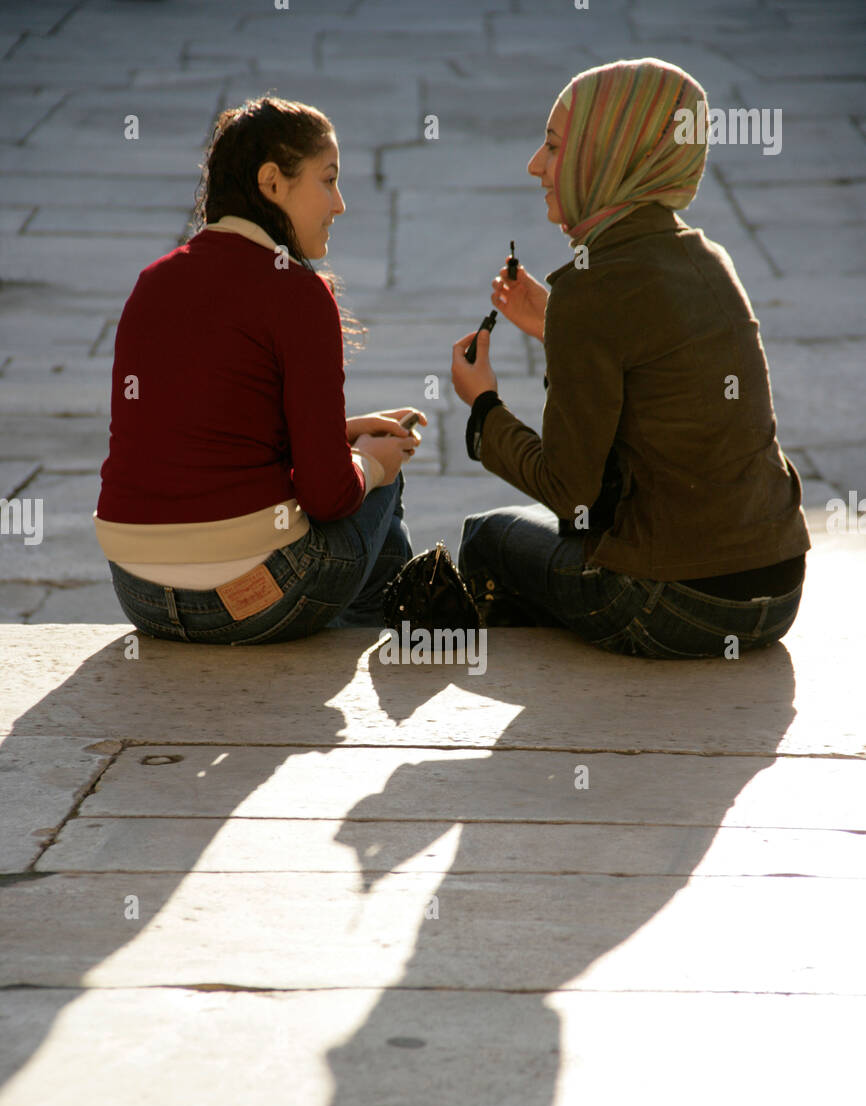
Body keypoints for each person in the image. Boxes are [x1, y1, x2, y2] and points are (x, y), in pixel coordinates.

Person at [450, 58, 811, 659]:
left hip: (674, 604)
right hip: (778, 591)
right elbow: (660, 371)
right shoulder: (708, 258)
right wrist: (555, 325)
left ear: (608, 154)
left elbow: (572, 494)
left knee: (487, 538)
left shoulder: (593, 289)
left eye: (554, 145)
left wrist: (483, 406)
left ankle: (553, 703)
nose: (535, 165)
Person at [94, 96, 425, 644]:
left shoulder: (152, 281)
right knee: (382, 485)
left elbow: (196, 430)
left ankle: (349, 636)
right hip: (252, 597)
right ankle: (370, 648)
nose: (339, 204)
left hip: (138, 592)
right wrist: (370, 463)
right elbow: (327, 495)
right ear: (272, 182)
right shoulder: (297, 293)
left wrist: (340, 434)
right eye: (328, 179)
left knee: (364, 468)